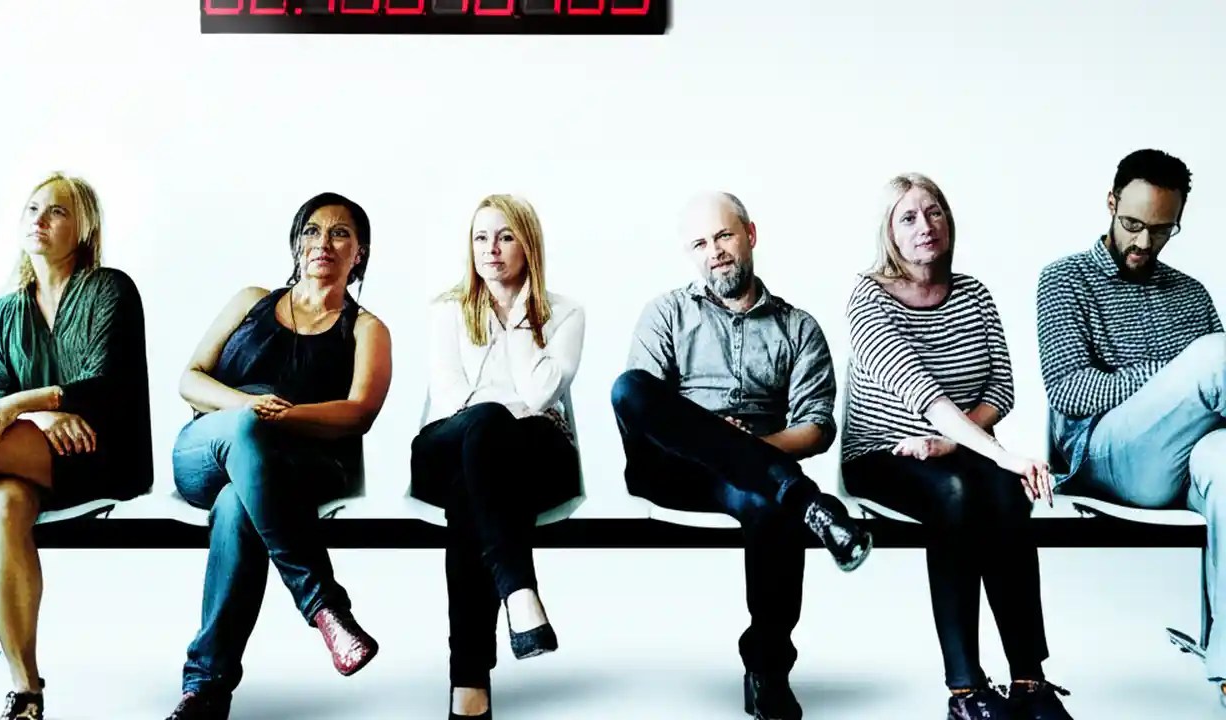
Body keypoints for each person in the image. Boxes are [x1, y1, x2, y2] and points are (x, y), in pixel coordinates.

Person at [609, 191, 872, 720]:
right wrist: (709, 433)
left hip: (751, 478)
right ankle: (809, 503)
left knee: (767, 503)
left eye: (724, 236)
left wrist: (744, 448)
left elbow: (818, 428)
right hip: (668, 468)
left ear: (750, 235)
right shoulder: (666, 313)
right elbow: (645, 410)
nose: (715, 251)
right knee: (628, 387)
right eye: (700, 243)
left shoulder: (797, 328)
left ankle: (768, 673)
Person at [841, 173, 1070, 720]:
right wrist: (980, 447)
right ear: (889, 233)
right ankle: (966, 692)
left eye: (934, 212)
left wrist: (955, 441)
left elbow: (1002, 389)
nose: (925, 226)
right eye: (909, 217)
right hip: (883, 453)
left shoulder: (974, 293)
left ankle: (1029, 682)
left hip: (961, 449)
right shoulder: (867, 296)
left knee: (1008, 494)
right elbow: (919, 389)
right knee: (957, 497)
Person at [163, 192, 392, 720]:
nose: (323, 243)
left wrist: (284, 418)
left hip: (297, 467)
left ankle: (205, 691)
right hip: (207, 449)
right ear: (296, 243)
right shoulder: (251, 299)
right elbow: (190, 379)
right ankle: (323, 605)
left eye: (340, 234)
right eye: (312, 231)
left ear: (359, 253)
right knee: (241, 443)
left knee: (236, 506)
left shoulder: (365, 330)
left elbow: (359, 413)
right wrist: (250, 409)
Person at [0, 172, 152, 720]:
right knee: (3, 501)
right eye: (33, 208)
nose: (40, 219)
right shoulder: (7, 312)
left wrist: (23, 405)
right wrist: (38, 413)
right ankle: (26, 690)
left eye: (57, 211)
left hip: (104, 455)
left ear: (83, 228)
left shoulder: (110, 288)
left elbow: (107, 390)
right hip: (38, 460)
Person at [1036, 149, 1226, 706]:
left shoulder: (1190, 295)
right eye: (1133, 225)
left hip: (1185, 460)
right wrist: (1177, 370)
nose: (1145, 243)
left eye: (1163, 230)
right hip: (1102, 457)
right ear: (1112, 204)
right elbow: (1070, 390)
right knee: (1216, 356)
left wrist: (1186, 376)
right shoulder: (1064, 279)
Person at [410, 194, 584, 720]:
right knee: (482, 427)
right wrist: (499, 415)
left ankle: (468, 683)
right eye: (482, 237)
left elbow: (541, 394)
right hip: (447, 443)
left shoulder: (566, 314)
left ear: (528, 246)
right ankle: (520, 593)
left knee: (473, 501)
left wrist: (525, 320)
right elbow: (450, 398)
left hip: (536, 456)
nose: (492, 249)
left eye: (506, 237)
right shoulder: (447, 309)